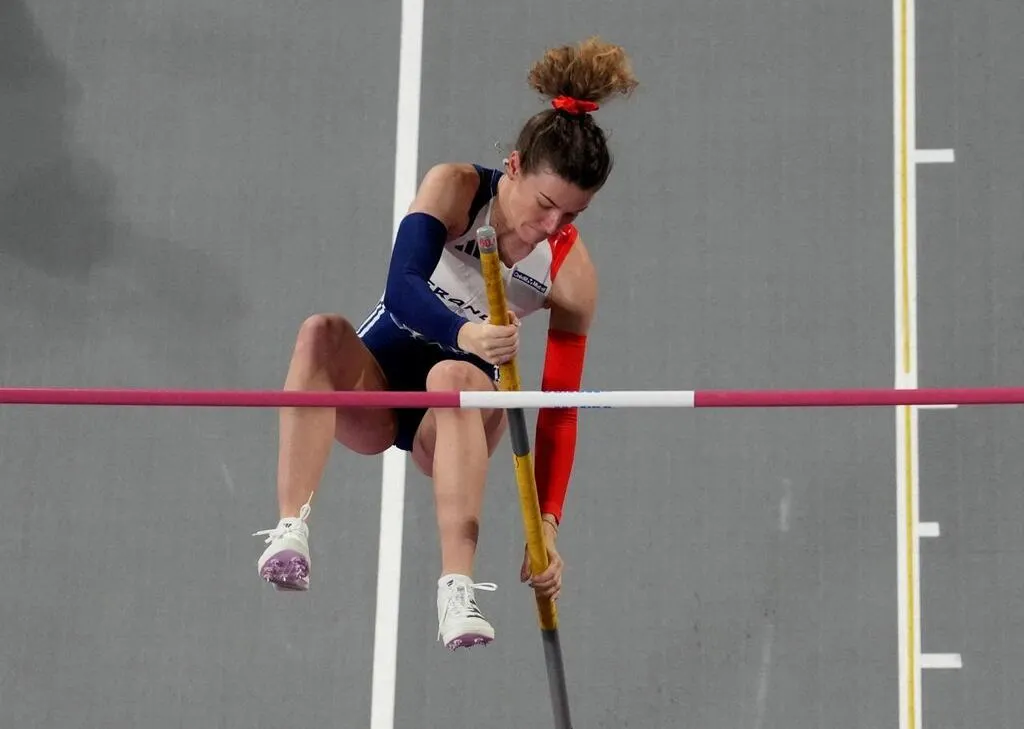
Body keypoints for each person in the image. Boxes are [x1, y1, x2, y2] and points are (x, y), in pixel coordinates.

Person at [253, 37, 638, 651]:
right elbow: (401, 287)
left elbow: (559, 407)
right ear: (513, 166)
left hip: (456, 423)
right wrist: (466, 331)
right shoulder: (455, 189)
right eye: (545, 206)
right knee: (320, 331)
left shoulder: (570, 276)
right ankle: (289, 532)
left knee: (453, 380)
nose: (552, 228)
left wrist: (548, 523)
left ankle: (456, 590)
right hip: (375, 393)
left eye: (573, 215)